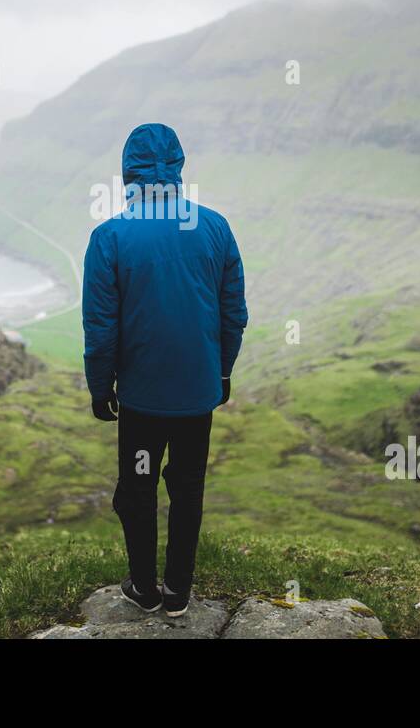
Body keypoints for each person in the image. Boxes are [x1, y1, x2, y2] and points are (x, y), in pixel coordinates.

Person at [81, 123, 248, 617]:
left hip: (141, 399)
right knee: (187, 488)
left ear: (128, 172)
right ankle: (178, 592)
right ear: (177, 167)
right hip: (198, 394)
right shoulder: (215, 226)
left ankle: (143, 589)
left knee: (138, 487)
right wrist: (221, 373)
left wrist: (100, 386)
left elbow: (101, 326)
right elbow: (233, 312)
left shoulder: (109, 236)